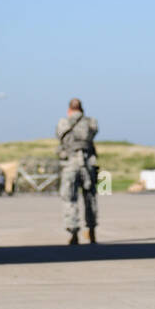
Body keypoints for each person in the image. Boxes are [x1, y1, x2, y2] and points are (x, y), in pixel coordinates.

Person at [56, 98, 99, 245]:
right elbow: (93, 133)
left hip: (70, 164)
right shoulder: (91, 122)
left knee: (70, 199)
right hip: (88, 164)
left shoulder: (64, 122)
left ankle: (73, 232)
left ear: (69, 109)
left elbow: (60, 138)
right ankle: (91, 230)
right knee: (90, 198)